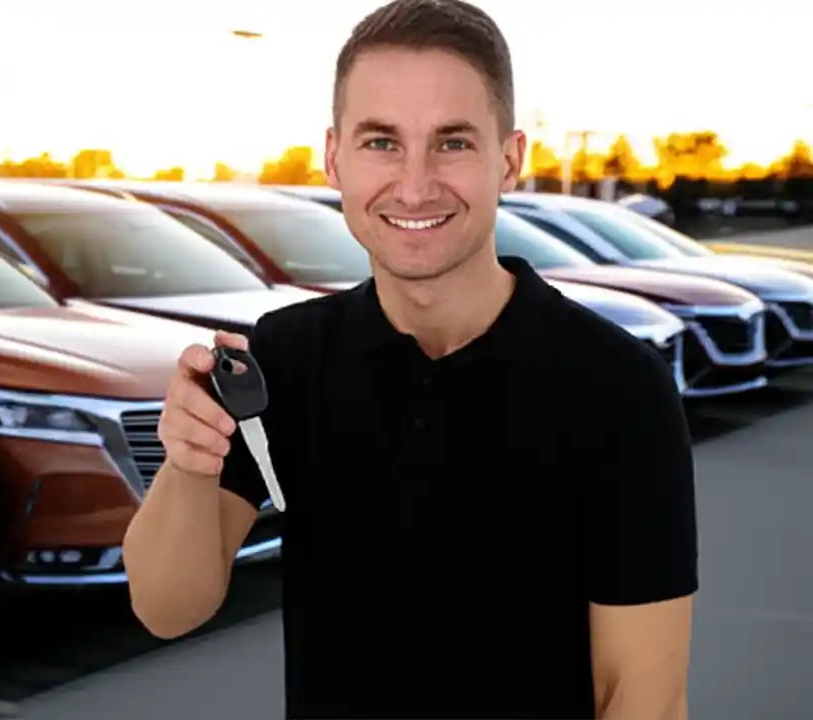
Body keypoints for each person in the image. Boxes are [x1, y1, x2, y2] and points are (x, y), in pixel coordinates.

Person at [121, 0, 698, 718]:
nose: (416, 184)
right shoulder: (285, 357)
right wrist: (189, 463)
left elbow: (642, 696)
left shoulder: (618, 387)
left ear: (509, 160)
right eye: (382, 142)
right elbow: (166, 608)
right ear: (335, 157)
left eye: (452, 142)